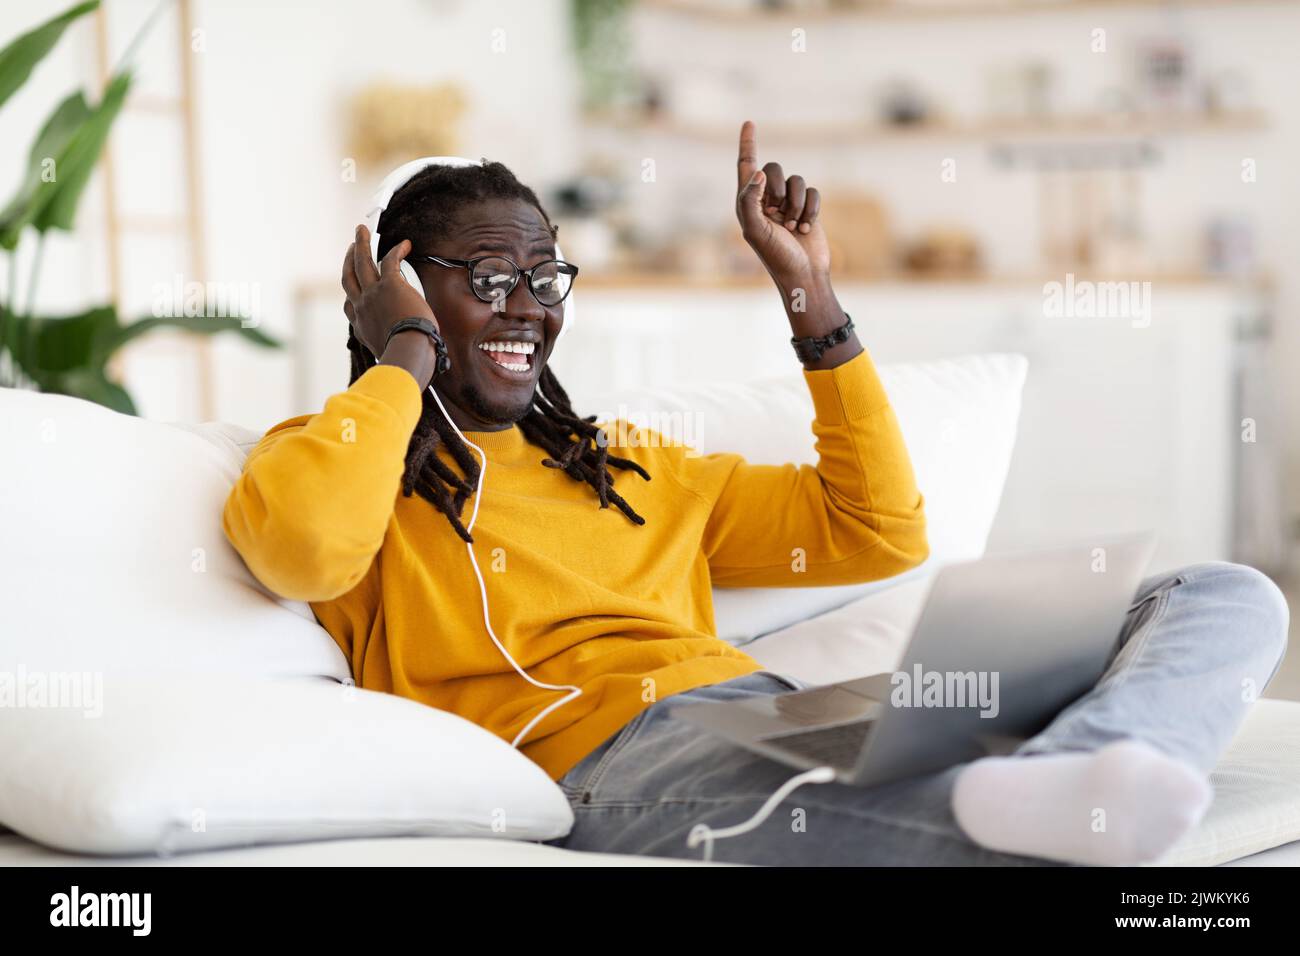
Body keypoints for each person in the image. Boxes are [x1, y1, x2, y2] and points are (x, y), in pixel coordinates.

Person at [223, 121, 1289, 866]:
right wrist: (400, 355)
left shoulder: (629, 461)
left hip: (778, 713)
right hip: (612, 758)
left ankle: (1088, 767)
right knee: (955, 833)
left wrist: (809, 295)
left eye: (544, 277)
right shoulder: (335, 456)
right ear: (402, 286)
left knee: (1220, 590)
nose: (526, 307)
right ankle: (1044, 807)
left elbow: (876, 531)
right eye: (484, 276)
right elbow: (307, 552)